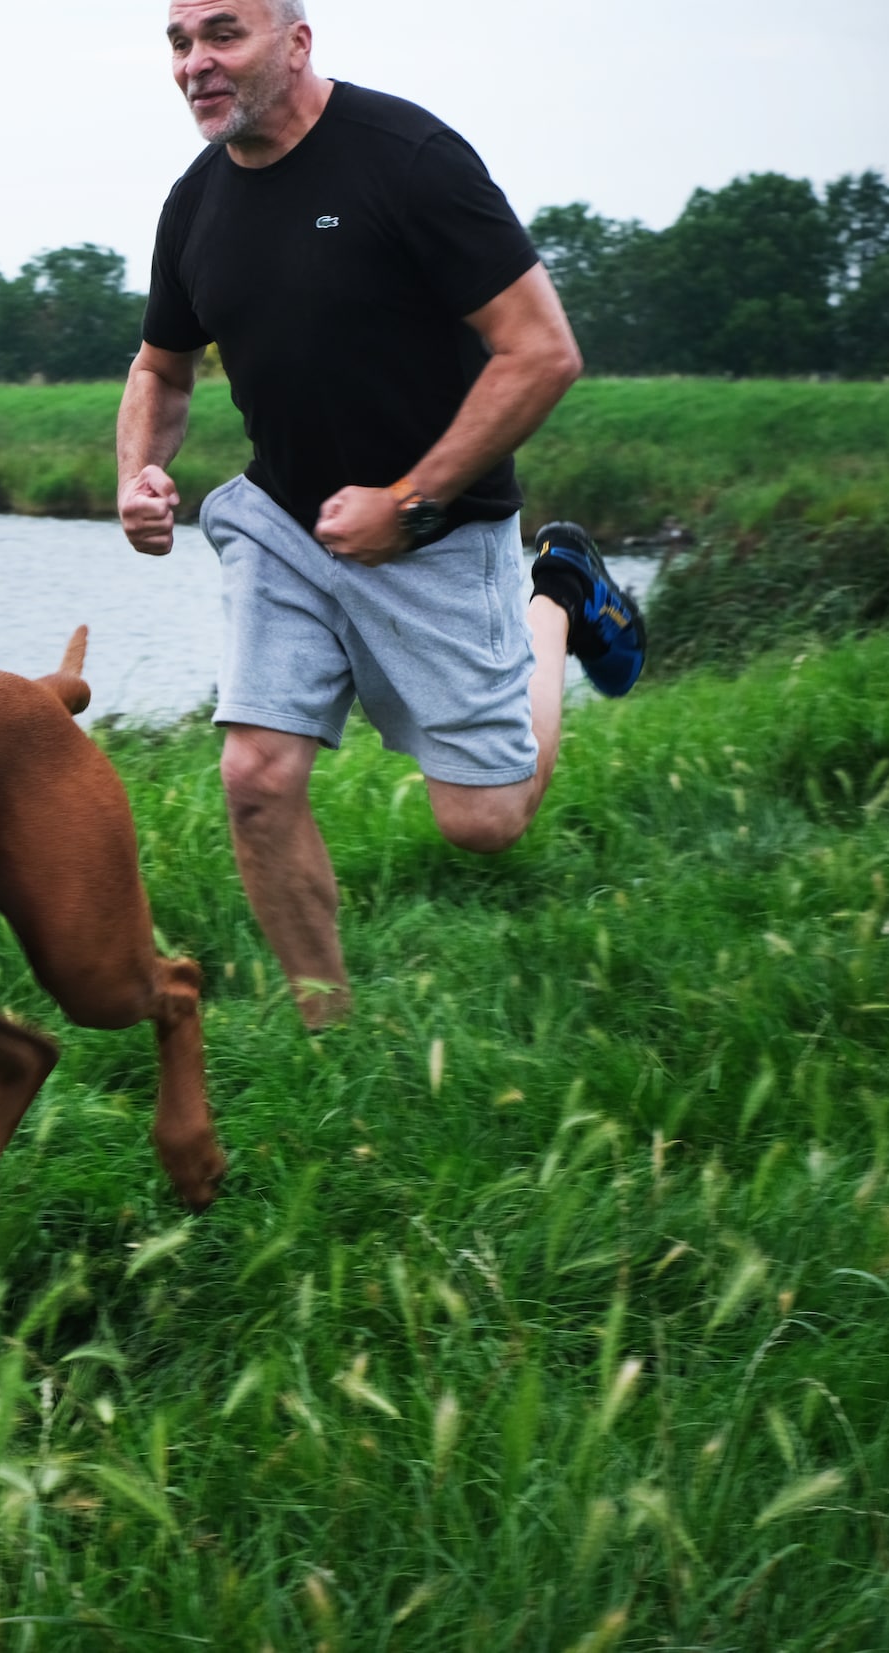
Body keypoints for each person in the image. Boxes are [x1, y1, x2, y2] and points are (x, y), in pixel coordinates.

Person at [117, 0, 646, 1031]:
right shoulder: (193, 205)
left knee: (484, 822)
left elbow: (540, 350)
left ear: (296, 42)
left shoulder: (408, 160)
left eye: (221, 34)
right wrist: (139, 473)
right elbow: (159, 368)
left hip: (439, 527)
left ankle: (556, 596)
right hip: (281, 521)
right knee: (255, 778)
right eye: (178, 43)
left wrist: (409, 505)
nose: (194, 64)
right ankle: (330, 1036)